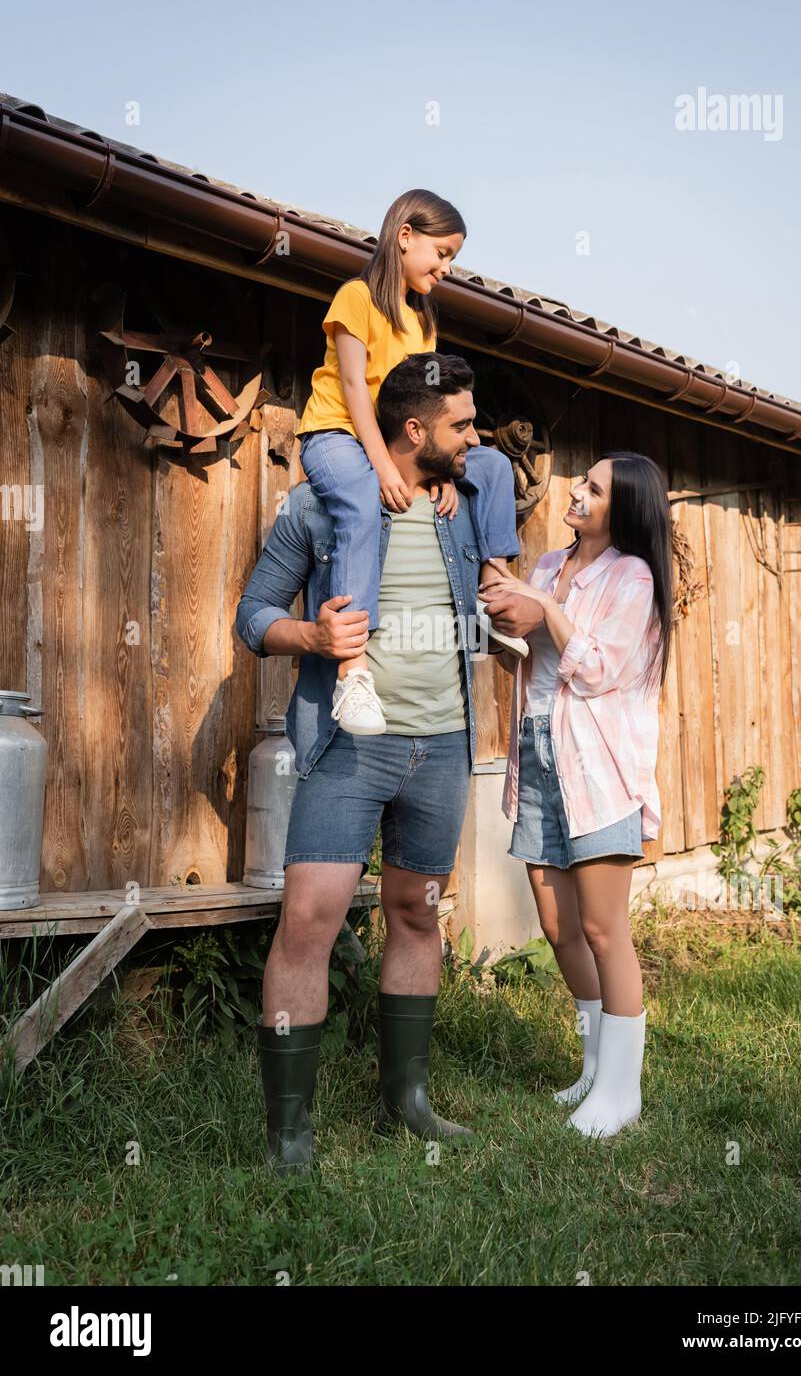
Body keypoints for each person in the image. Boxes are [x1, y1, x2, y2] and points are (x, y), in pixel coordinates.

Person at [235, 352, 520, 1173]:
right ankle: (289, 1133)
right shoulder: (319, 509)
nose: (474, 436)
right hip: (347, 746)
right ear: (412, 431)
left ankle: (409, 1101)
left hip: (442, 748)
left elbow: (498, 559)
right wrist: (311, 637)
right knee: (307, 922)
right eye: (460, 424)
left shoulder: (462, 503)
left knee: (417, 915)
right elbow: (253, 615)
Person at [479, 452, 673, 1138]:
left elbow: (592, 668)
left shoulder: (633, 576)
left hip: (596, 766)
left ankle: (623, 1092)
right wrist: (503, 621)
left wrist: (543, 607)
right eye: (580, 481)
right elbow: (524, 657)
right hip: (535, 755)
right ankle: (594, 1068)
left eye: (592, 488)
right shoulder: (543, 568)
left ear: (621, 510)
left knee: (601, 928)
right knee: (558, 927)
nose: (575, 491)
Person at [295, 187, 526, 739]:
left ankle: (493, 587)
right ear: (404, 237)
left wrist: (444, 471)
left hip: (395, 440)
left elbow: (428, 409)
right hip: (337, 433)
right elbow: (354, 387)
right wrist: (381, 465)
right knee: (357, 503)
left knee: (492, 468)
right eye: (441, 253)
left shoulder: (423, 320)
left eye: (452, 258)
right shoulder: (356, 298)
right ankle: (354, 671)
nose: (445, 268)